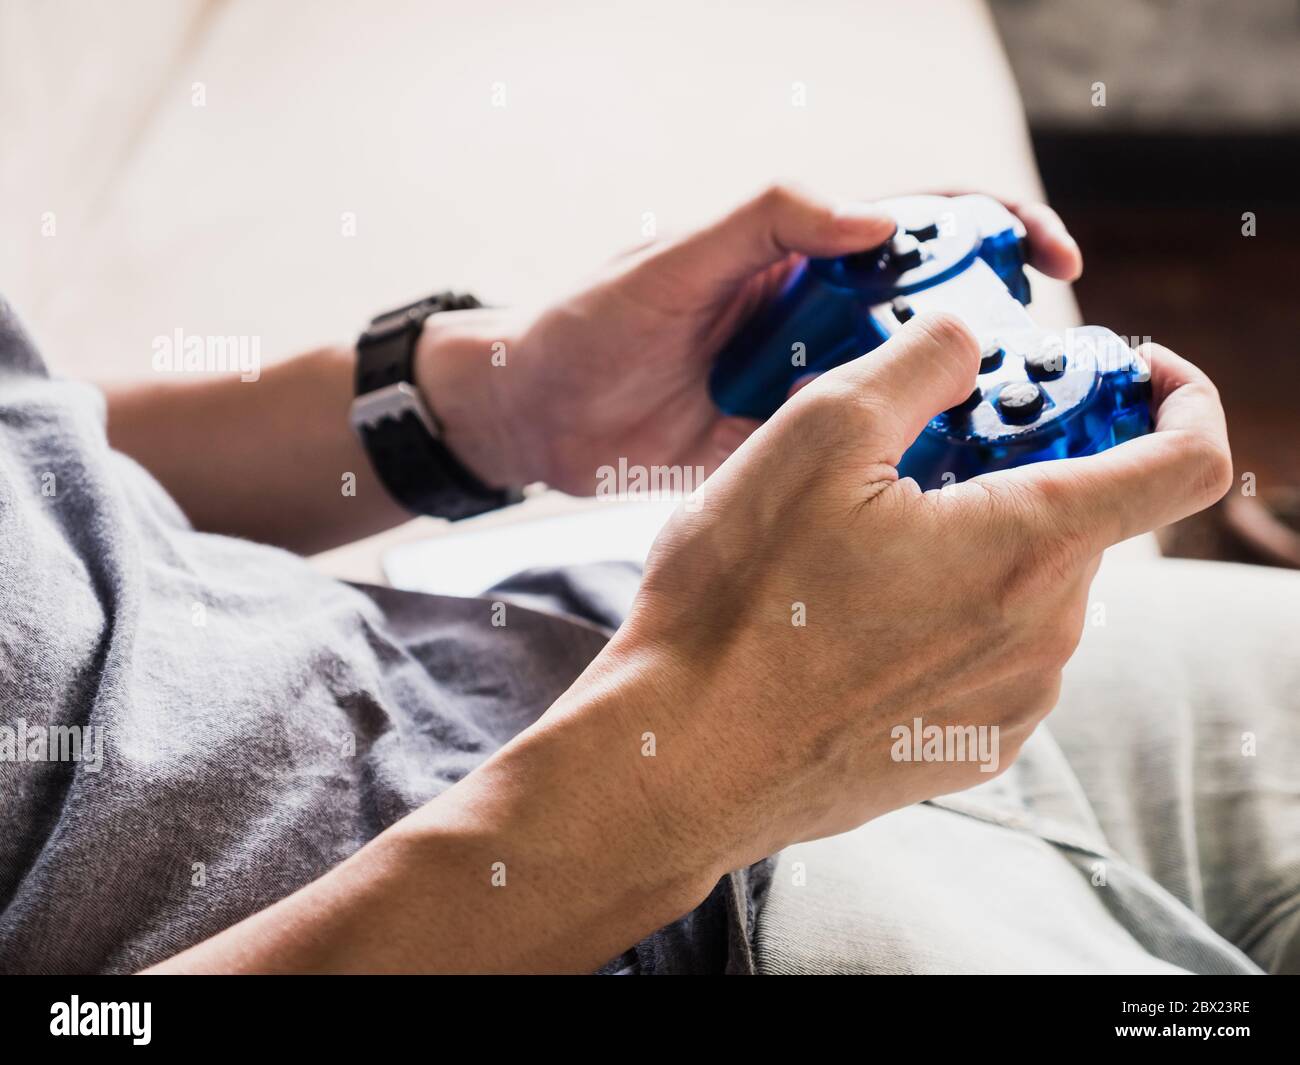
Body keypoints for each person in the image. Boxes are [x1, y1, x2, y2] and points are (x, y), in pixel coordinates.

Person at [0, 185, 1288, 975]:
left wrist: (499, 403)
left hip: (611, 653)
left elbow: (40, 469)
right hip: (635, 909)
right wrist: (684, 778)